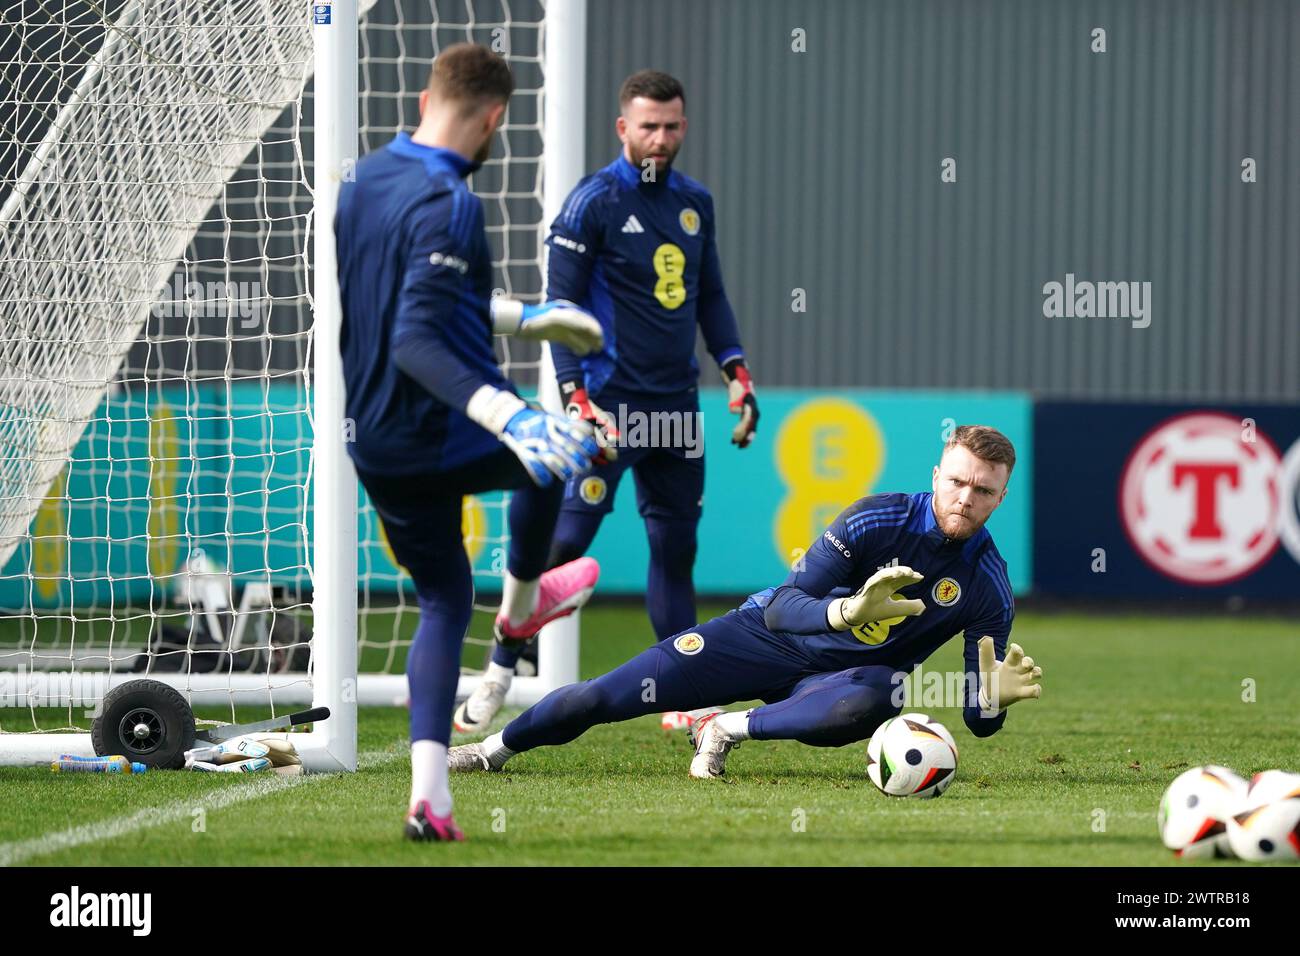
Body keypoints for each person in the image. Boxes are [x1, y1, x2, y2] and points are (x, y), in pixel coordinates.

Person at [335, 43, 607, 841]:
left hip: (375, 440)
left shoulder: (361, 182)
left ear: (426, 96)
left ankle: (431, 799)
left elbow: (405, 298)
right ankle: (522, 614)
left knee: (445, 598)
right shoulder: (451, 201)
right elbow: (416, 338)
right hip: (436, 422)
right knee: (569, 448)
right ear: (495, 119)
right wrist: (509, 413)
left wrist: (524, 318)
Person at [447, 426, 1043, 779]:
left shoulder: (988, 586)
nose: (965, 498)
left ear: (1002, 496)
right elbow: (785, 605)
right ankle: (489, 751)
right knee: (602, 696)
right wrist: (848, 612)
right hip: (763, 636)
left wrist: (992, 701)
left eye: (983, 490)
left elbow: (977, 720)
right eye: (957, 482)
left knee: (885, 693)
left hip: (835, 685)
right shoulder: (874, 518)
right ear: (937, 474)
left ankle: (725, 728)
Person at [455, 70, 758, 735]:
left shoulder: (695, 203)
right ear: (623, 128)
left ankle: (686, 692)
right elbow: (557, 315)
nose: (661, 138)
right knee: (565, 540)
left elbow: (710, 296)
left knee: (675, 550)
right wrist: (576, 398)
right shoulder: (590, 203)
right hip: (608, 408)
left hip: (677, 409)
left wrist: (735, 369)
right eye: (648, 125)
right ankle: (502, 663)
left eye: (672, 125)